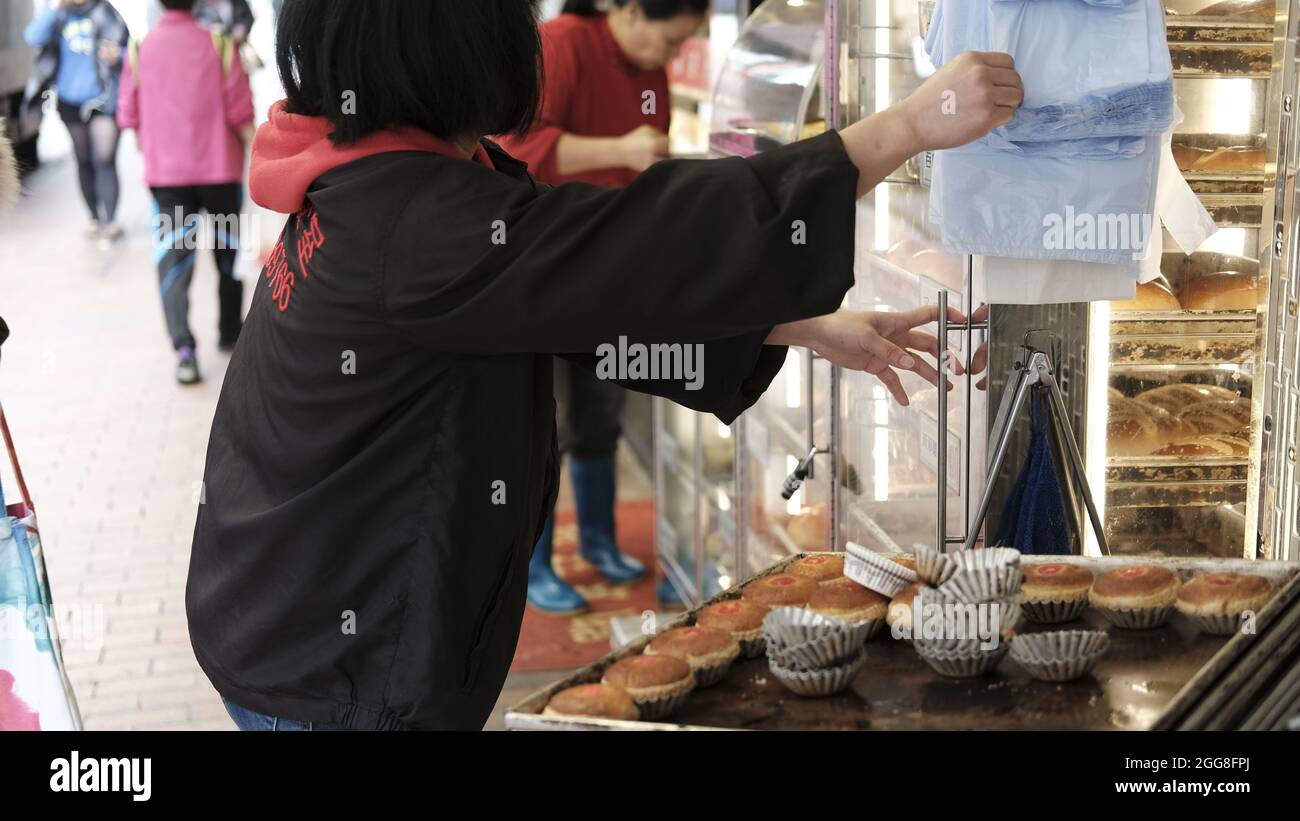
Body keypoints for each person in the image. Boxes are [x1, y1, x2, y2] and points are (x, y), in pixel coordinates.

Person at [187, 0, 1022, 731]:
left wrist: (792, 324)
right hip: (333, 664)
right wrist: (906, 126)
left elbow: (569, 290)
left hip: (282, 610)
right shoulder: (413, 216)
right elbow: (646, 241)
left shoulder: (371, 170)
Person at [497, 0, 707, 614]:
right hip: (545, 266)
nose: (669, 58)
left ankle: (598, 541)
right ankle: (534, 564)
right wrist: (621, 147)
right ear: (633, 10)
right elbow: (521, 151)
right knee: (542, 423)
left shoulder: (648, 64)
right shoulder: (560, 42)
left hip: (613, 269)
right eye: (669, 43)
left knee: (602, 409)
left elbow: (651, 156)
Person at [116, 0, 255, 385]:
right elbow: (240, 112)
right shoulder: (220, 45)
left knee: (175, 261)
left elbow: (127, 114)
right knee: (227, 254)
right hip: (221, 172)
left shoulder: (140, 48)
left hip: (169, 178)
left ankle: (184, 352)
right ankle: (230, 334)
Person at [22, 0, 129, 249]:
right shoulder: (59, 15)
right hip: (70, 100)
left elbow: (128, 51)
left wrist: (117, 57)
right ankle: (94, 218)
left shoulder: (106, 12)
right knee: (83, 161)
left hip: (103, 98)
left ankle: (110, 222)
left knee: (105, 159)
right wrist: (56, 7)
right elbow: (33, 37)